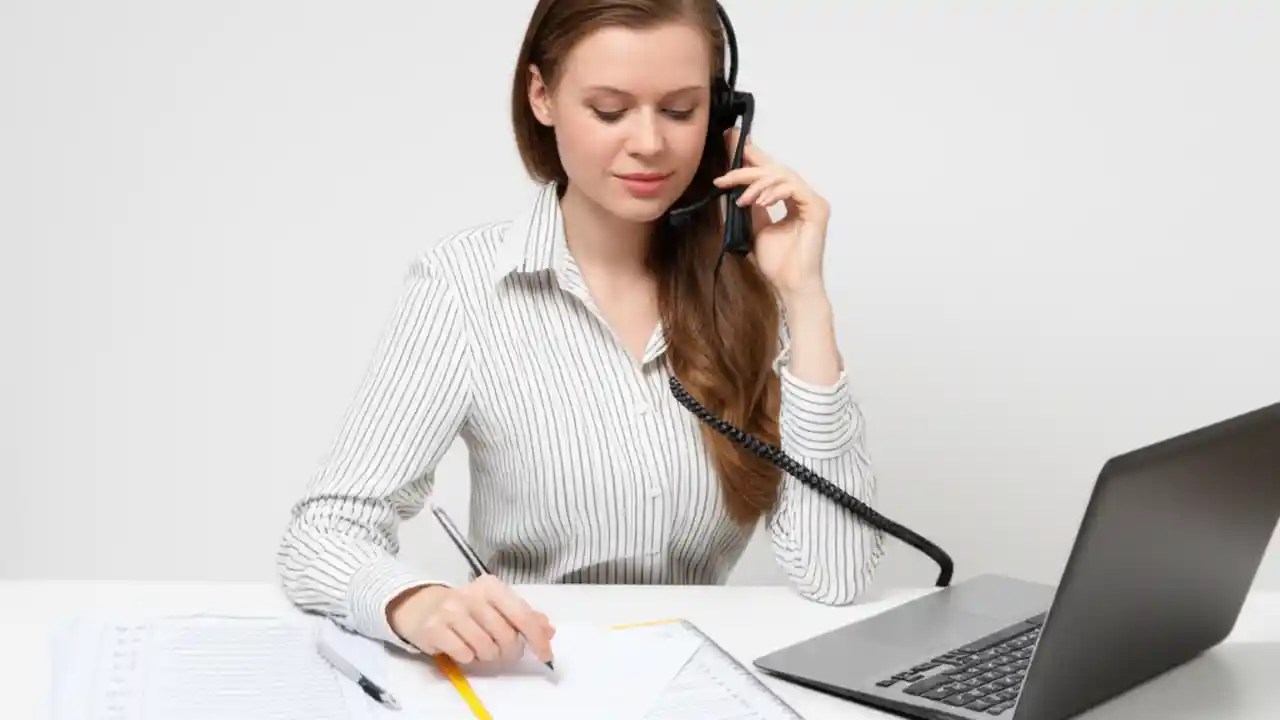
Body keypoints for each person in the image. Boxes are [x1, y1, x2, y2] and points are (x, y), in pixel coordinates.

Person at [277, 0, 885, 670]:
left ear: (723, 116)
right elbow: (321, 534)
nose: (650, 143)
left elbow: (837, 578)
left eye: (681, 110)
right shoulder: (465, 285)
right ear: (542, 96)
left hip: (694, 679)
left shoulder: (747, 284)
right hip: (533, 677)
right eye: (609, 110)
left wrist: (805, 297)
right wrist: (412, 602)